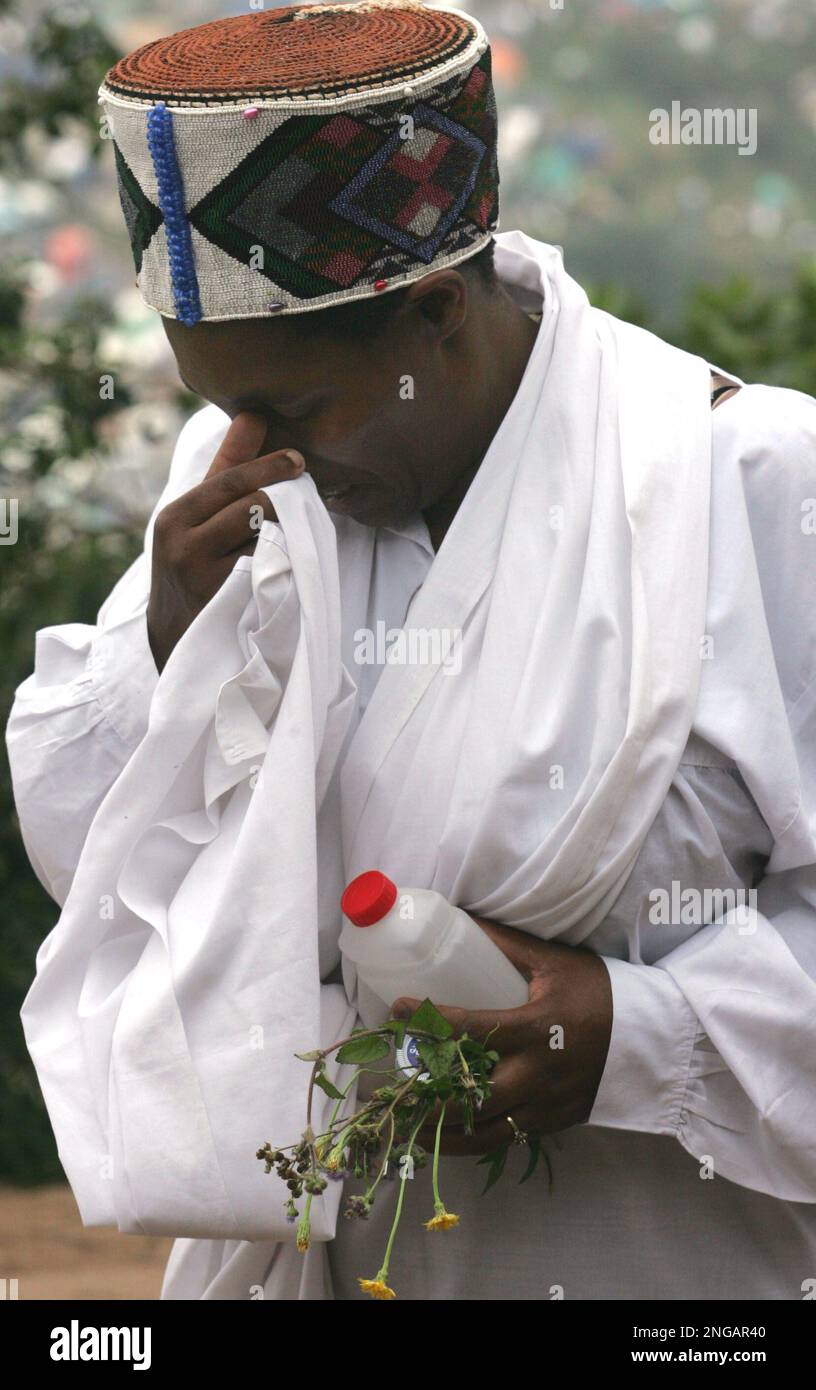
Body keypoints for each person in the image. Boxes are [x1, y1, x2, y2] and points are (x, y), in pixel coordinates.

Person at [7, 2, 816, 1302]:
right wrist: (165, 650)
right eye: (221, 407)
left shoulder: (755, 489)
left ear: (434, 312)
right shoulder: (245, 503)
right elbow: (103, 867)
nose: (247, 451)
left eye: (291, 406)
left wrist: (636, 1033)